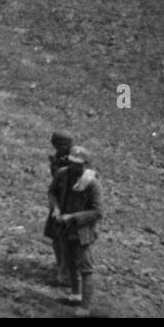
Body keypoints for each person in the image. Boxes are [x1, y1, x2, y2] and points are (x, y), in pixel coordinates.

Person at [51, 146, 102, 310]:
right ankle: (75, 295)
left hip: (82, 232)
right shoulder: (62, 174)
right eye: (72, 162)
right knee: (71, 262)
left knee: (86, 269)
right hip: (65, 229)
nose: (74, 166)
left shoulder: (92, 183)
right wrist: (56, 208)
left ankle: (85, 308)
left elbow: (97, 212)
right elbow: (52, 193)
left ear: (85, 164)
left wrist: (73, 217)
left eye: (78, 164)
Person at [44, 131, 75, 286]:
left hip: (71, 204)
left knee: (66, 240)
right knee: (56, 237)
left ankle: (67, 276)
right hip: (59, 201)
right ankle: (61, 268)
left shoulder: (76, 159)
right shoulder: (59, 157)